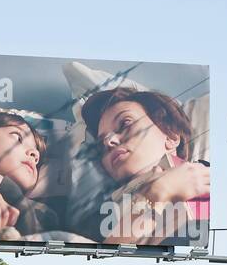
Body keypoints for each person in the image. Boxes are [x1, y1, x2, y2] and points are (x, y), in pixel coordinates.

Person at [80, 88, 210, 245]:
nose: (109, 141)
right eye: (101, 145)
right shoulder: (98, 216)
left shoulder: (212, 174)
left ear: (171, 136)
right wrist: (156, 193)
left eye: (124, 124)